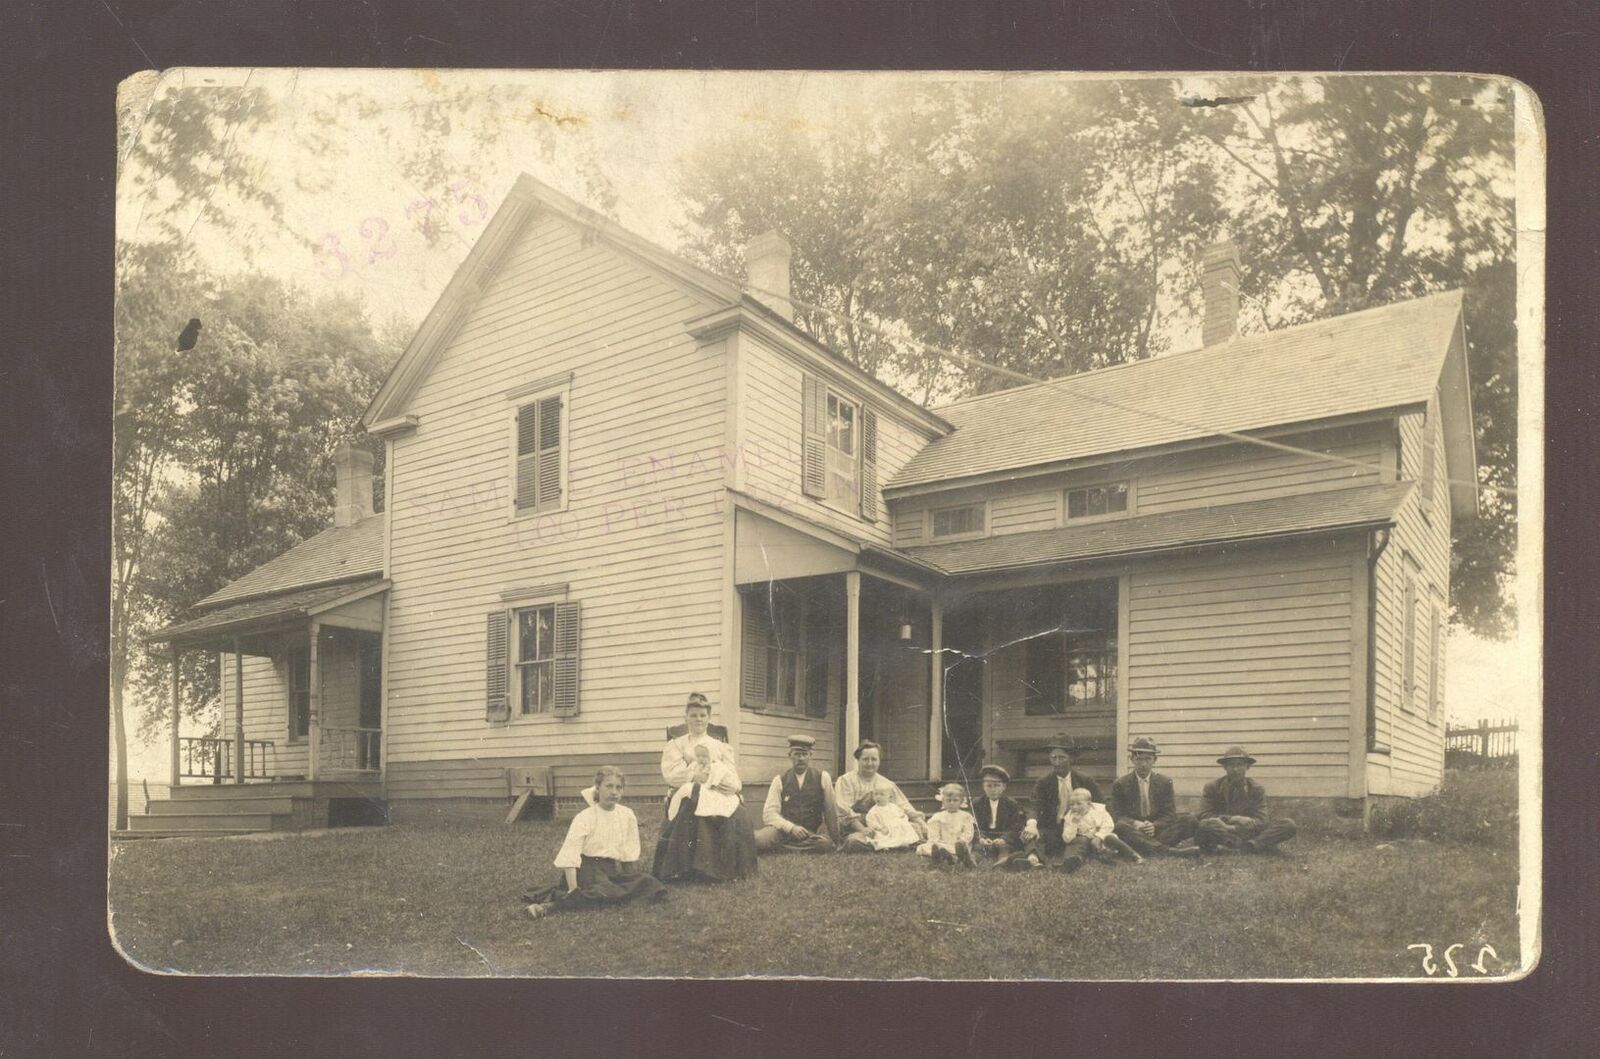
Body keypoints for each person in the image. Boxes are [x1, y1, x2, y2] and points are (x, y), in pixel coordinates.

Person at [522, 766, 667, 919]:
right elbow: (570, 855)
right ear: (598, 788)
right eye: (609, 786)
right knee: (605, 890)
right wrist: (573, 890)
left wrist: (631, 881)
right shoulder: (585, 817)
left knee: (650, 883)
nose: (614, 792)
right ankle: (549, 907)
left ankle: (606, 895)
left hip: (610, 870)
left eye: (619, 787)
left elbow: (628, 854)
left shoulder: (627, 815)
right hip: (585, 869)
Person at [653, 693, 759, 882]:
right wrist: (694, 775)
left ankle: (727, 868)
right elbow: (671, 775)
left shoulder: (720, 746)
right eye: (693, 715)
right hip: (690, 789)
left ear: (709, 718)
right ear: (685, 717)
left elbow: (733, 776)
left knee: (737, 809)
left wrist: (731, 786)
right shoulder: (677, 745)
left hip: (719, 790)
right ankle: (692, 868)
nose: (698, 720)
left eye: (702, 715)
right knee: (694, 800)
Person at [1109, 736, 1201, 859]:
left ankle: (1146, 848)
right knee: (1121, 827)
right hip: (1134, 831)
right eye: (1139, 759)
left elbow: (1170, 815)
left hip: (1158, 832)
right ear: (1132, 759)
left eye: (1148, 759)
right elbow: (1117, 815)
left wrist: (1154, 826)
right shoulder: (1120, 784)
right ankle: (1169, 851)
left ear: (1155, 760)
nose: (1143, 764)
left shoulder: (1164, 782)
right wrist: (1137, 824)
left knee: (1190, 820)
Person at [1195, 746, 1298, 853]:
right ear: (1224, 767)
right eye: (1231, 765)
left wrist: (1241, 826)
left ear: (1247, 767)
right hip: (1222, 830)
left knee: (1288, 825)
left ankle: (1243, 847)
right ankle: (1255, 845)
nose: (1235, 769)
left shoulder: (1257, 789)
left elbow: (1262, 820)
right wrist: (1234, 819)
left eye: (1240, 765)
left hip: (1248, 831)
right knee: (1205, 825)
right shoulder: (1212, 787)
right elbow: (1205, 814)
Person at [1019, 736, 1102, 866]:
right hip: (1052, 829)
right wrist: (1032, 824)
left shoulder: (1085, 780)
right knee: (1031, 834)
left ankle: (1071, 860)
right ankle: (1033, 858)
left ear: (1072, 759)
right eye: (1053, 758)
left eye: (1062, 758)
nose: (1057, 762)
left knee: (1082, 841)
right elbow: (1034, 804)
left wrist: (1097, 831)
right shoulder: (1043, 782)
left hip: (1077, 830)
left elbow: (1100, 806)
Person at [754, 734, 840, 853]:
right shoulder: (779, 780)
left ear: (810, 756)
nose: (801, 758)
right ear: (790, 756)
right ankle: (792, 848)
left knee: (824, 844)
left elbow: (831, 812)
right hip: (783, 831)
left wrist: (836, 840)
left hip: (808, 834)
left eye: (804, 754)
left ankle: (781, 849)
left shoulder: (823, 777)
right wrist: (791, 828)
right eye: (797, 754)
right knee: (759, 839)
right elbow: (769, 814)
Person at [836, 740, 928, 852]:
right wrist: (862, 829)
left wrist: (921, 823)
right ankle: (897, 845)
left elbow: (903, 805)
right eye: (865, 759)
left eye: (874, 759)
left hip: (886, 827)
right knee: (853, 841)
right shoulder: (846, 781)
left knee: (915, 828)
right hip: (858, 827)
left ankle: (888, 845)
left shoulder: (886, 784)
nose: (870, 763)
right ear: (858, 760)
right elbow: (844, 810)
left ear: (879, 761)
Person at [1059, 787, 1140, 872]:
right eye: (1071, 804)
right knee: (1078, 842)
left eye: (1079, 804)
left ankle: (1133, 855)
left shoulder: (1099, 811)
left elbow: (1109, 825)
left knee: (1110, 838)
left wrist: (1098, 836)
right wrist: (1074, 823)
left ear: (1089, 804)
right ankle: (1073, 861)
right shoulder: (1070, 817)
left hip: (1103, 840)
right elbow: (1067, 838)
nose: (1075, 807)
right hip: (1086, 844)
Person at [970, 764, 1027, 868]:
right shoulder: (977, 803)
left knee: (1005, 848)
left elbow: (1015, 826)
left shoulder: (1011, 804)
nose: (992, 789)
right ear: (983, 786)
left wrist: (1004, 838)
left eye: (996, 786)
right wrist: (981, 838)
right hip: (985, 838)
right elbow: (974, 825)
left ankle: (1003, 861)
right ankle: (972, 861)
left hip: (1003, 839)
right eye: (989, 786)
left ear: (1004, 787)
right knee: (978, 848)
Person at [668, 744, 743, 821]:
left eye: (704, 756)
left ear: (711, 756)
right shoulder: (695, 765)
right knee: (685, 792)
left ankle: (712, 815)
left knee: (716, 801)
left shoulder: (715, 766)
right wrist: (693, 775)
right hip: (699, 789)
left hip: (714, 789)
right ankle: (674, 814)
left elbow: (714, 781)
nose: (700, 758)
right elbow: (687, 774)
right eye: (698, 756)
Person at [918, 783, 979, 867]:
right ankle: (947, 856)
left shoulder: (966, 816)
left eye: (955, 800)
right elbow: (933, 835)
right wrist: (937, 843)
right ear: (943, 801)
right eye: (948, 800)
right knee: (925, 847)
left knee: (961, 847)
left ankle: (954, 856)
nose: (952, 803)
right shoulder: (938, 817)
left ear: (961, 801)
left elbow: (968, 832)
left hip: (958, 844)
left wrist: (962, 841)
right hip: (942, 843)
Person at [864, 787, 922, 851]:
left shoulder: (893, 807)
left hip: (896, 827)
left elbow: (901, 815)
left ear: (889, 797)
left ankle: (908, 843)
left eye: (882, 794)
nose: (878, 797)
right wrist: (880, 828)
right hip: (884, 829)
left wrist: (902, 820)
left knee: (906, 827)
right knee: (882, 838)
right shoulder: (873, 811)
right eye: (876, 794)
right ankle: (892, 846)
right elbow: (871, 822)